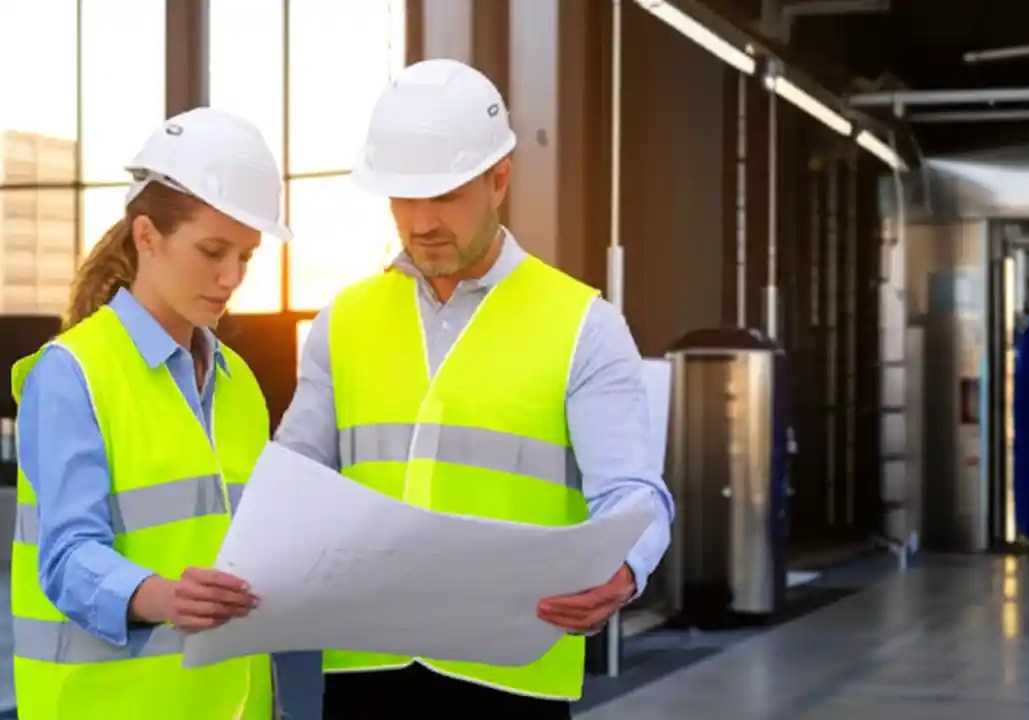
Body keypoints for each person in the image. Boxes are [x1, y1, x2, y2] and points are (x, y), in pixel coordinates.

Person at [274, 58, 675, 719]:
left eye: (446, 196)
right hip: (365, 668)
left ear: (499, 180)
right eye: (405, 197)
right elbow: (297, 476)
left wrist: (625, 568)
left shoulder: (583, 326)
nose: (422, 220)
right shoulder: (343, 321)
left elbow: (632, 492)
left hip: (510, 673)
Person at [8, 107, 292, 719]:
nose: (230, 277)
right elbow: (66, 556)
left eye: (246, 256)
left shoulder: (237, 382)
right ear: (146, 237)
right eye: (213, 251)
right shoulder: (71, 375)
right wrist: (161, 597)